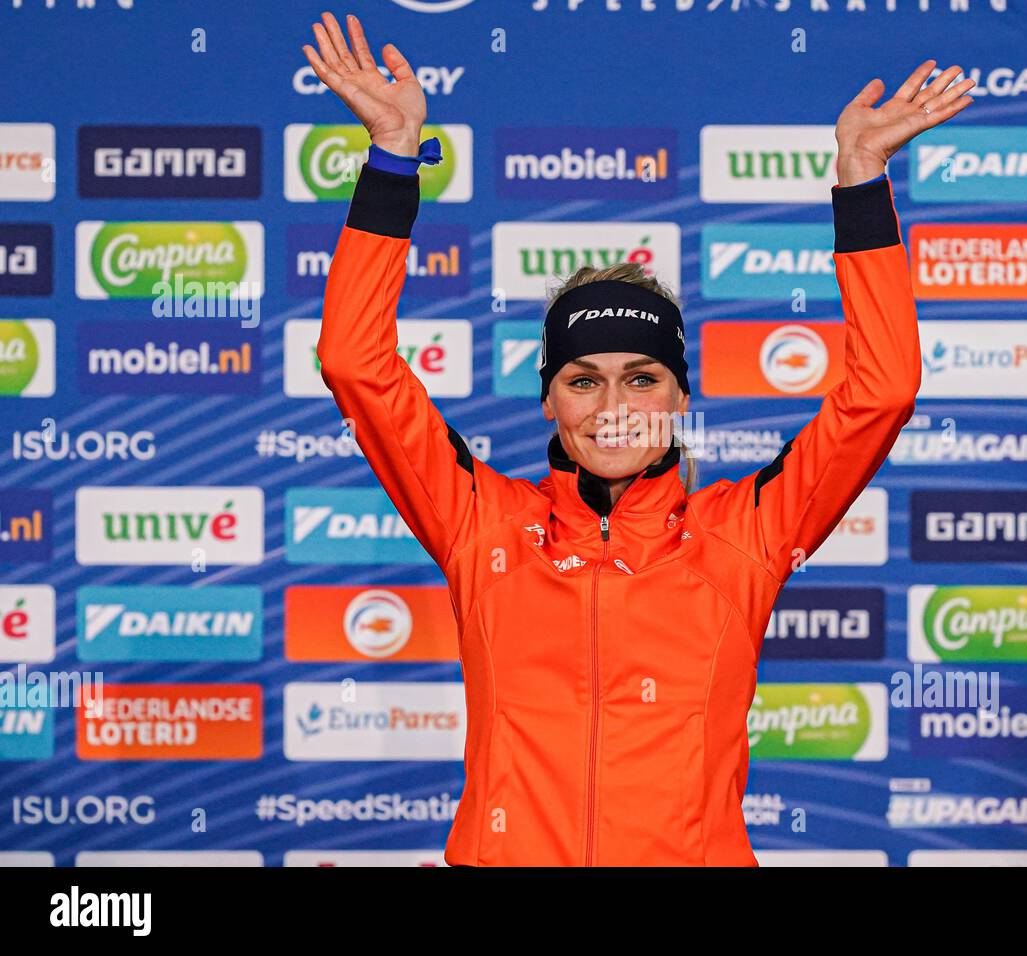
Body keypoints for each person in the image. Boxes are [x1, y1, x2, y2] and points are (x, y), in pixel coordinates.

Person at [305, 11, 974, 866]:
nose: (612, 403)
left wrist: (861, 181)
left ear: (680, 395)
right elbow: (354, 361)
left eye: (642, 377)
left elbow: (882, 391)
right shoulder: (482, 524)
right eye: (582, 380)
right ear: (549, 401)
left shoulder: (746, 533)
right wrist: (394, 159)